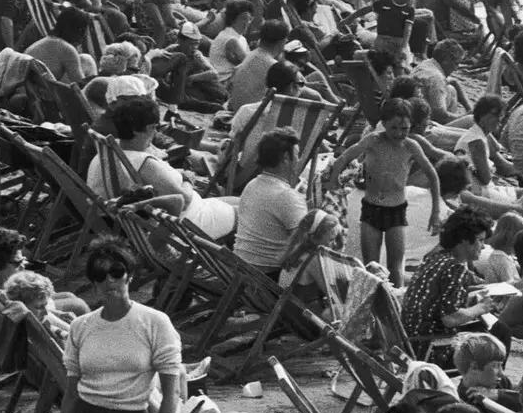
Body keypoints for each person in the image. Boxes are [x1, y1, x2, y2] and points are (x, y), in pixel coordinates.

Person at [61, 237, 184, 413]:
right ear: (93, 282)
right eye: (100, 275)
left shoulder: (155, 322)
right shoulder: (81, 326)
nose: (109, 280)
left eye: (116, 272)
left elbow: (171, 393)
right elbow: (70, 394)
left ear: (130, 275)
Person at [325, 99, 442, 286]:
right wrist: (333, 181)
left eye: (404, 129)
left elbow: (433, 176)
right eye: (394, 128)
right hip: (371, 209)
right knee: (371, 267)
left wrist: (435, 212)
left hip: (396, 211)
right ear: (384, 124)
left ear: (410, 126)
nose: (399, 133)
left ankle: (395, 301)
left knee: (396, 266)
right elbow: (346, 156)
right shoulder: (373, 140)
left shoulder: (411, 146)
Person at [87, 96, 237, 240]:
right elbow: (183, 200)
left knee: (241, 202)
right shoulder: (143, 163)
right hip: (185, 223)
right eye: (153, 128)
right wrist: (187, 180)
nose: (154, 133)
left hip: (186, 212)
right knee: (250, 213)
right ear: (138, 130)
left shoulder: (107, 151)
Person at [401, 207, 503, 361]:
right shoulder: (454, 268)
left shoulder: (436, 259)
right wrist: (481, 307)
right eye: (480, 240)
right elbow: (450, 318)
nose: (483, 246)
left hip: (410, 340)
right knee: (500, 333)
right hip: (432, 348)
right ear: (464, 240)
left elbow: (437, 302)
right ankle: (482, 382)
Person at [234, 128, 307, 279]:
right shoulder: (287, 196)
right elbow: (303, 242)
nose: (299, 160)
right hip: (266, 276)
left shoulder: (252, 185)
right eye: (297, 155)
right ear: (286, 158)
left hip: (238, 267)